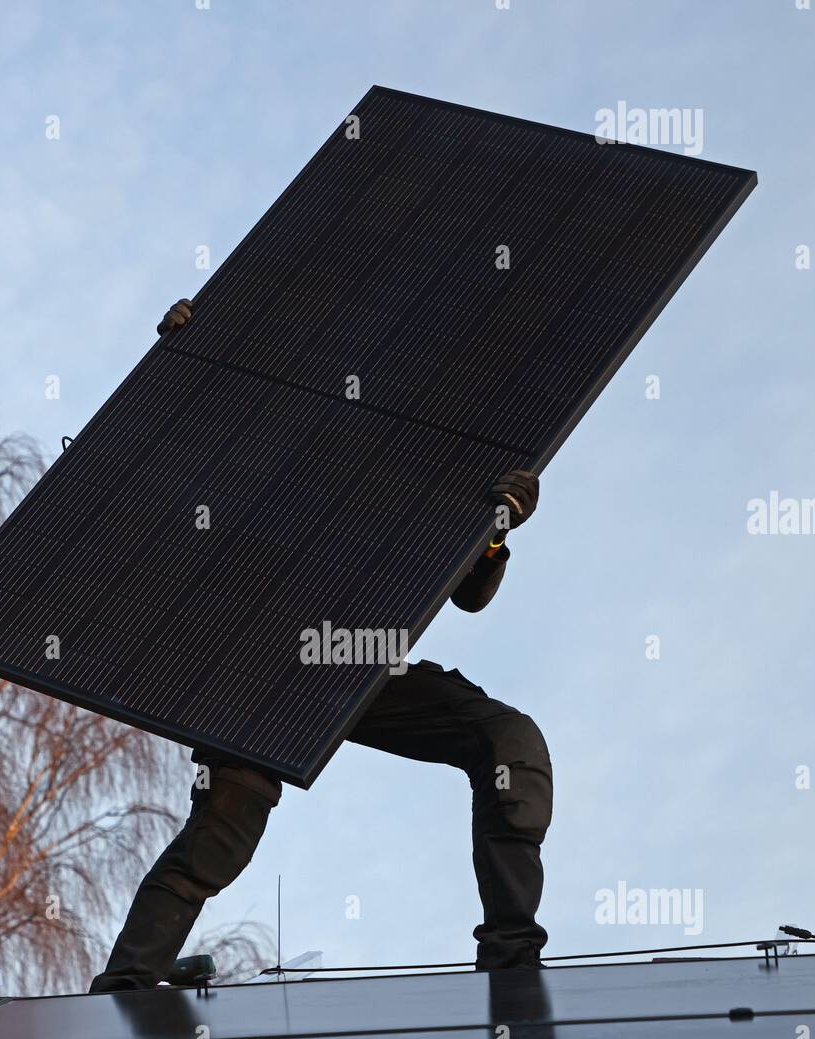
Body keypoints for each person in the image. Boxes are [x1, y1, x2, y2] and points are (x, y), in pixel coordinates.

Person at [89, 299, 553, 991]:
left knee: (507, 740)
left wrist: (492, 530)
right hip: (246, 654)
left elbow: (468, 590)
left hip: (351, 651)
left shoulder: (421, 443)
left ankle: (511, 959)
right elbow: (158, 461)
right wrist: (178, 365)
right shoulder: (263, 416)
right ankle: (128, 985)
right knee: (225, 826)